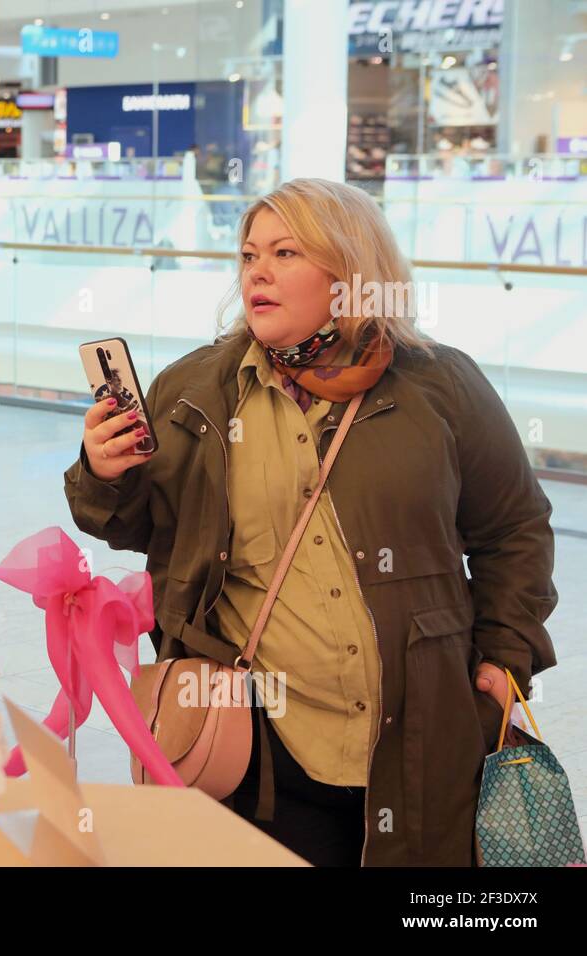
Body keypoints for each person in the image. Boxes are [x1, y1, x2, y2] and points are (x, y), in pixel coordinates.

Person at [66, 178, 557, 867]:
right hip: (263, 747)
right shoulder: (197, 390)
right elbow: (135, 525)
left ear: (352, 271)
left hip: (422, 734)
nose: (257, 272)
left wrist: (508, 650)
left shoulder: (441, 387)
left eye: (286, 252)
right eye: (247, 255)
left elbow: (515, 529)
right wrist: (104, 471)